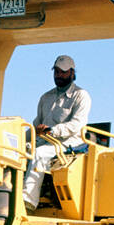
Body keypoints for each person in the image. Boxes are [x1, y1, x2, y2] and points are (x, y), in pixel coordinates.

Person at [22, 55, 91, 209]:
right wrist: (20, 140)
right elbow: (35, 125)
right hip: (46, 140)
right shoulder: (46, 97)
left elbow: (77, 125)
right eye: (57, 71)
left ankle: (28, 201)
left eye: (63, 72)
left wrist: (52, 130)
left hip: (69, 142)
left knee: (40, 153)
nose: (59, 75)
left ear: (72, 73)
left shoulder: (81, 95)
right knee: (18, 152)